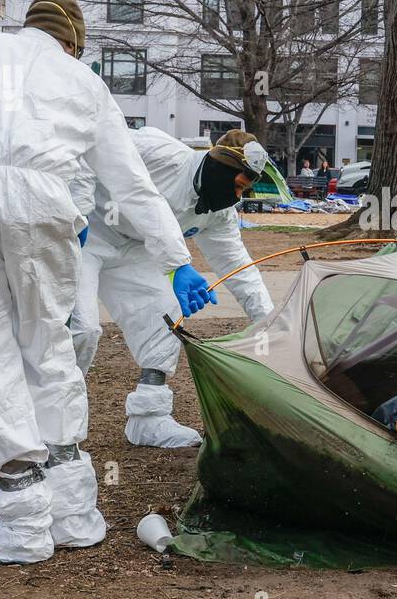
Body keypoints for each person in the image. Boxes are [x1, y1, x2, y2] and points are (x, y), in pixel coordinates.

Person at [0, 0, 215, 565]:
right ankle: (74, 508)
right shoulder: (83, 82)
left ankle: (23, 515)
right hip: (43, 202)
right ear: (73, 44)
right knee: (48, 342)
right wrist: (176, 259)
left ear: (26, 26)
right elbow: (131, 185)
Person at [70, 128, 275, 447]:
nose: (236, 197)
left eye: (245, 191)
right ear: (220, 167)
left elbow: (238, 268)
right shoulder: (158, 153)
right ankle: (48, 425)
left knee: (166, 315)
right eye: (237, 186)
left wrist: (271, 326)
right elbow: (89, 144)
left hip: (136, 250)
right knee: (81, 328)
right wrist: (76, 210)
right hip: (88, 235)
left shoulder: (219, 214)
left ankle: (148, 419)